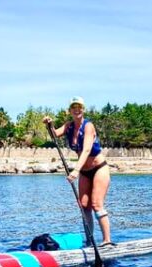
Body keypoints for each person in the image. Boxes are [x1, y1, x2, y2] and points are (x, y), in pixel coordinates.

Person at [44, 97, 113, 246]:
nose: (77, 109)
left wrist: (75, 170)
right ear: (70, 110)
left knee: (96, 204)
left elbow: (87, 149)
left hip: (99, 168)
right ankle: (90, 241)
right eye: (74, 107)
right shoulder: (69, 126)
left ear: (83, 109)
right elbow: (54, 135)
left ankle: (107, 241)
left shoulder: (88, 126)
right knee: (83, 205)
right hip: (84, 171)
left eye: (79, 107)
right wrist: (49, 125)